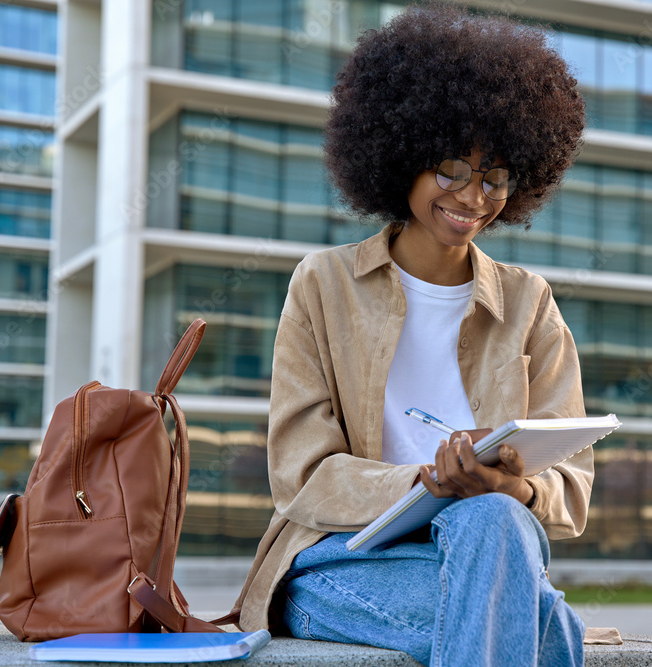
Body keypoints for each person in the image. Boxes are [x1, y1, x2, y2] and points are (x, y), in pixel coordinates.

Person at [233, 5, 591, 665]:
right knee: (540, 621)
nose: (473, 195)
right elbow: (300, 474)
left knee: (492, 522)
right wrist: (428, 481)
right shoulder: (323, 284)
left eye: (494, 177)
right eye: (452, 167)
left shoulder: (529, 302)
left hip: (484, 546)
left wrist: (515, 488)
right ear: (405, 157)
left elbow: (572, 486)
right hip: (340, 563)